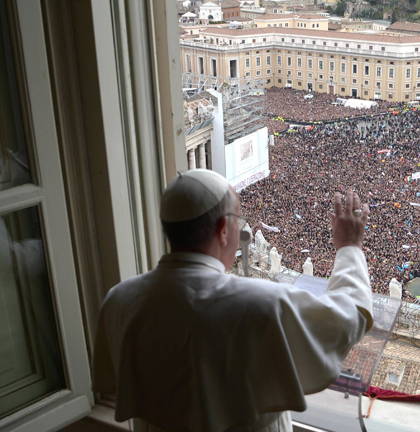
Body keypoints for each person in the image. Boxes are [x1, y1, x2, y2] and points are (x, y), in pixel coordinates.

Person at [91, 169, 373, 432]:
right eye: (238, 219)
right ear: (224, 228)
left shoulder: (119, 300)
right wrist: (349, 247)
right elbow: (349, 316)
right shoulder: (263, 304)